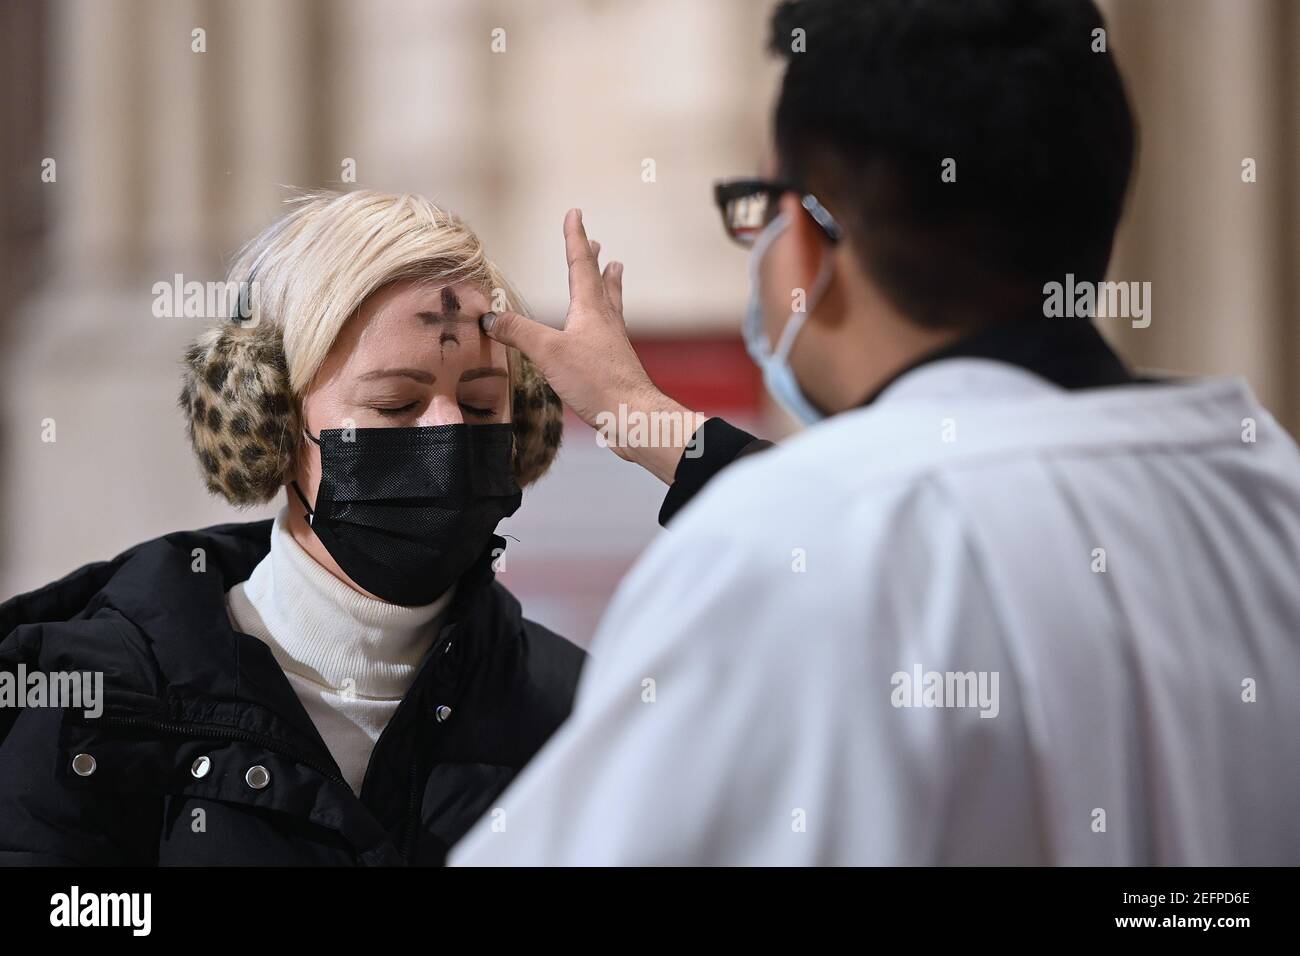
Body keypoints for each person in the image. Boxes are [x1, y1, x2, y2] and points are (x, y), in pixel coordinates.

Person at [451, 0, 1300, 864]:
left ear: (813, 245)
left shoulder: (796, 547)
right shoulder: (1267, 486)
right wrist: (640, 410)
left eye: (759, 206)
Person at [0, 189, 588, 865]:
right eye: (397, 404)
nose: (449, 433)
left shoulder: (577, 710)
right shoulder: (98, 701)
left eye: (483, 407)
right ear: (271, 425)